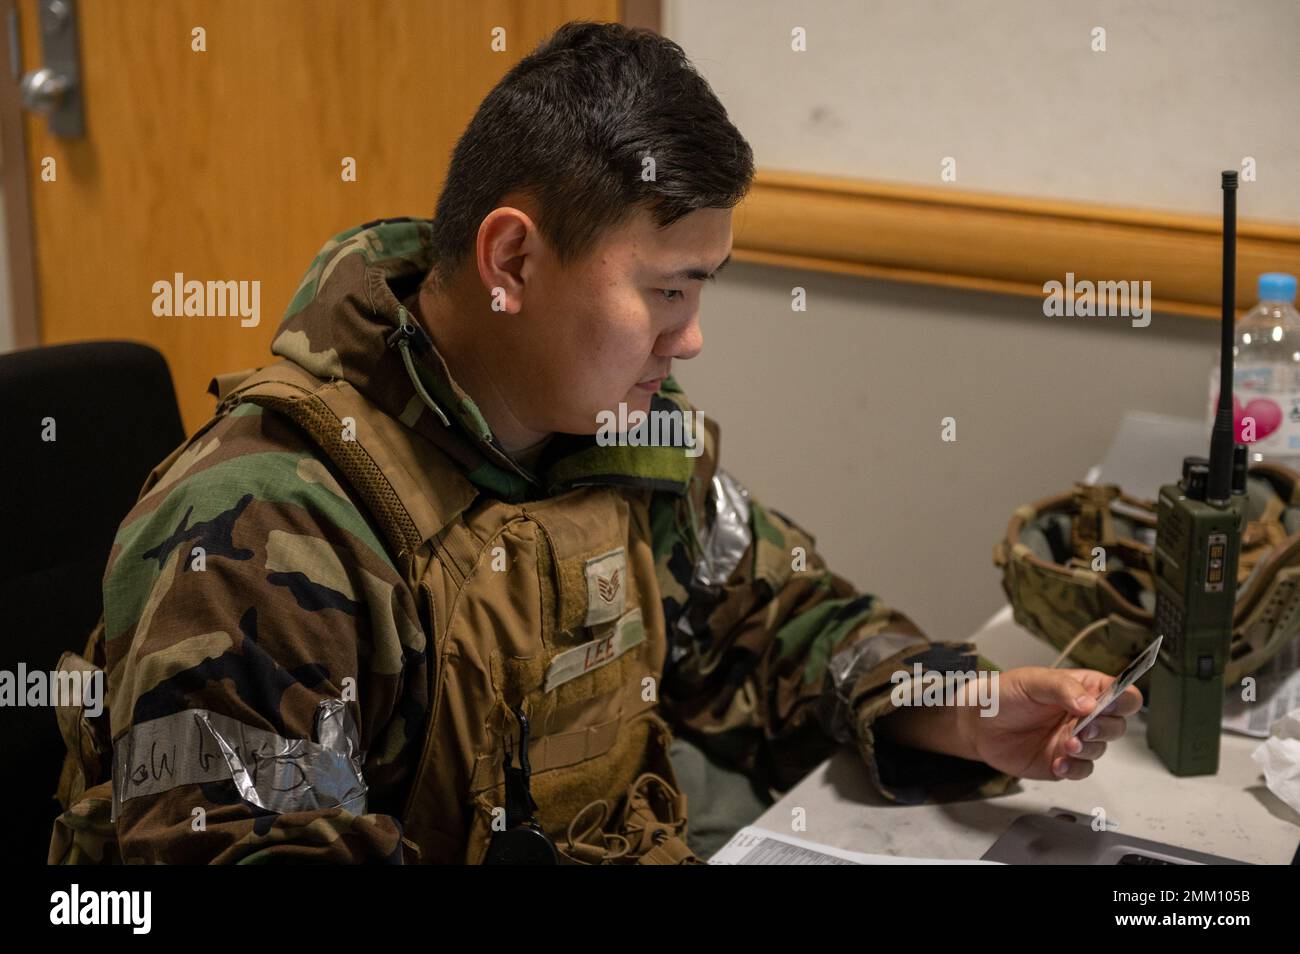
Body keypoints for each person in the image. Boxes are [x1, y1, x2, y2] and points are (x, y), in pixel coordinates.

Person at [49, 20, 1139, 865]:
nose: (693, 337)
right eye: (666, 289)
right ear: (512, 261)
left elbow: (777, 620)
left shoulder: (617, 436)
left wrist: (959, 707)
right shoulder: (260, 533)